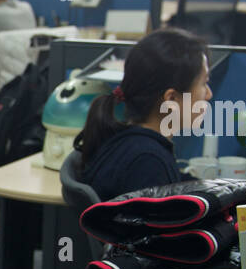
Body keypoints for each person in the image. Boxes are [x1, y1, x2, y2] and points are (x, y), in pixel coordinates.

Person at [76, 27, 210, 201]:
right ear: (171, 99)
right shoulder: (148, 163)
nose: (208, 94)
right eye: (204, 84)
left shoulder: (131, 143)